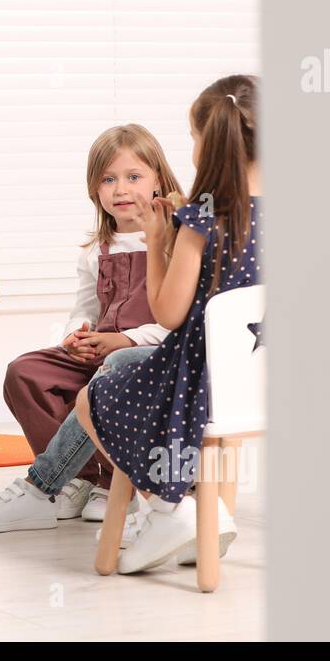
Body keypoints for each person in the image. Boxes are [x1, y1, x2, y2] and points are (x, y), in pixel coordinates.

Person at [74, 75, 262, 573]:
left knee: (94, 395)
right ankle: (184, 512)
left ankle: (168, 510)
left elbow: (168, 314)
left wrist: (161, 239)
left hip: (201, 380)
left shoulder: (202, 220)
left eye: (195, 137)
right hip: (261, 383)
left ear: (209, 142)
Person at [0, 124, 183, 532]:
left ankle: (119, 484)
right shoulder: (94, 251)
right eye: (108, 179)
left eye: (134, 177)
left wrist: (126, 339)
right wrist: (75, 335)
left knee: (108, 374)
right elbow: (84, 307)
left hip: (146, 356)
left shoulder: (177, 241)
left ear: (159, 181)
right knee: (26, 372)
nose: (121, 189)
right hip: (100, 350)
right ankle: (82, 481)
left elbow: (182, 325)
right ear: (94, 189)